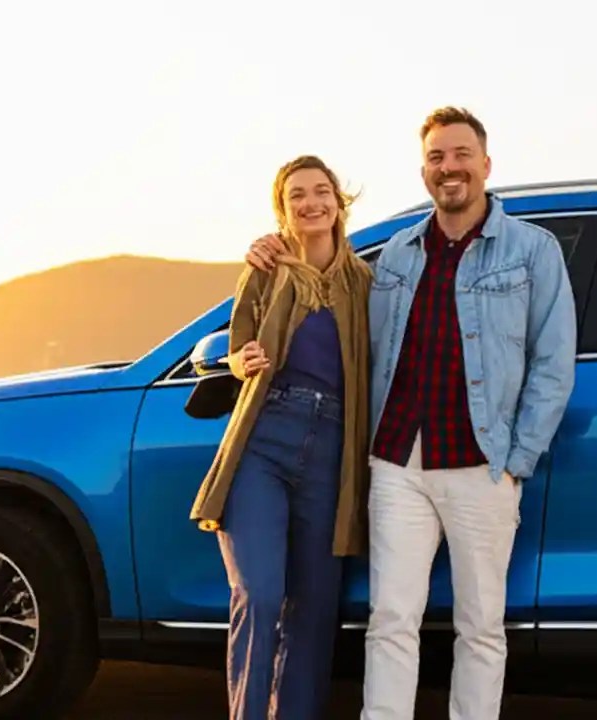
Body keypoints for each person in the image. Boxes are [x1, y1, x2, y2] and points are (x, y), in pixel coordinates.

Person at [244, 107, 577, 720]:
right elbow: (328, 295)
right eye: (436, 158)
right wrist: (274, 246)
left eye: (460, 155)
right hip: (396, 464)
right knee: (391, 618)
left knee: (480, 626)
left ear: (485, 164)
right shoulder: (396, 256)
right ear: (424, 170)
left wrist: (517, 460)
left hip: (483, 463)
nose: (449, 168)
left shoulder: (533, 252)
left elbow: (554, 365)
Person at [190, 155, 374, 720]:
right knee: (261, 594)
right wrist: (239, 360)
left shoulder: (366, 284)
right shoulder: (265, 269)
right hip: (263, 442)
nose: (311, 202)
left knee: (315, 611)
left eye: (322, 191)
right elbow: (235, 347)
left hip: (332, 453)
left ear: (339, 202)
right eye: (297, 194)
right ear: (283, 208)